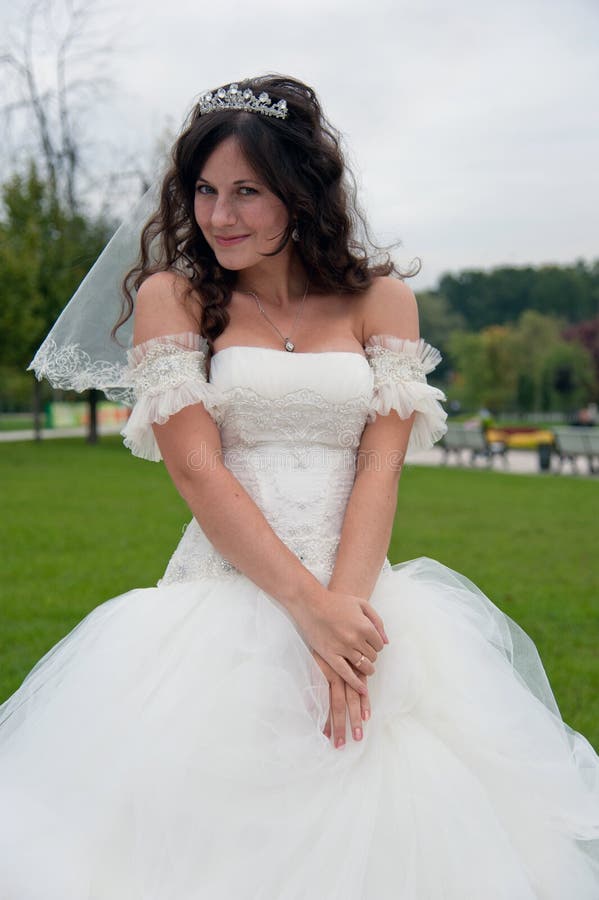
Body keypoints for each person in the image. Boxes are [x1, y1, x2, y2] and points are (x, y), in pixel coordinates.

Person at [1, 74, 598, 899]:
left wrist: (346, 622)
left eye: (247, 191)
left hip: (362, 593)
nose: (219, 215)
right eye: (205, 191)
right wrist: (305, 608)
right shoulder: (173, 297)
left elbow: (379, 465)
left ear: (300, 193)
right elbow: (196, 470)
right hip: (226, 594)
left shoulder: (382, 299)